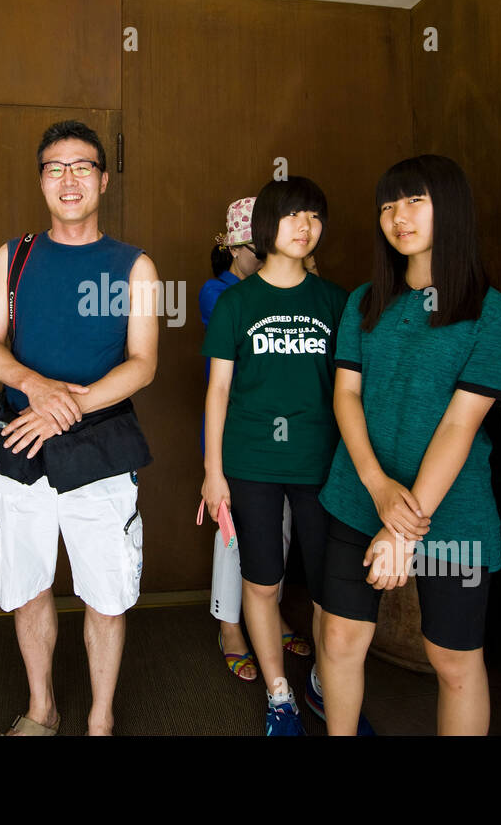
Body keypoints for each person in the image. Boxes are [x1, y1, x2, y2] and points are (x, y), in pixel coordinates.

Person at [317, 155, 501, 736]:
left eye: (414, 201)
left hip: (453, 514)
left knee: (453, 660)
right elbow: (346, 398)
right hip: (357, 497)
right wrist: (379, 488)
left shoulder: (494, 315)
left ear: (450, 208)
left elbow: (460, 426)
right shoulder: (363, 301)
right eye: (387, 205)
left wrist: (405, 524)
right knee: (339, 637)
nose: (397, 217)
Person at [0, 119, 159, 736]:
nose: (69, 178)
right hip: (22, 444)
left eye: (82, 166)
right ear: (41, 180)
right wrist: (38, 389)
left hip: (102, 450)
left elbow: (143, 364)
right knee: (28, 586)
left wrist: (64, 405)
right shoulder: (15, 256)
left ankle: (100, 719)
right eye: (55, 167)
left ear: (104, 179)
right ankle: (41, 708)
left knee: (106, 596)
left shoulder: (134, 266)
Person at [200, 176, 348, 735]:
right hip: (252, 464)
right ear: (265, 228)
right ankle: (279, 694)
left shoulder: (336, 301)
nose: (304, 226)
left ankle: (327, 686)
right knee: (262, 585)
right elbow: (217, 391)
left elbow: (349, 391)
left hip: (322, 466)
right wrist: (214, 473)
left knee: (331, 591)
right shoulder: (237, 302)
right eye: (290, 216)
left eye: (313, 216)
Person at [199, 197, 309, 684]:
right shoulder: (219, 292)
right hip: (234, 435)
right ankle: (229, 627)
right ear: (235, 248)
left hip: (286, 441)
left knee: (276, 534)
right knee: (234, 535)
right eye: (253, 248)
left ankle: (272, 613)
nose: (261, 256)